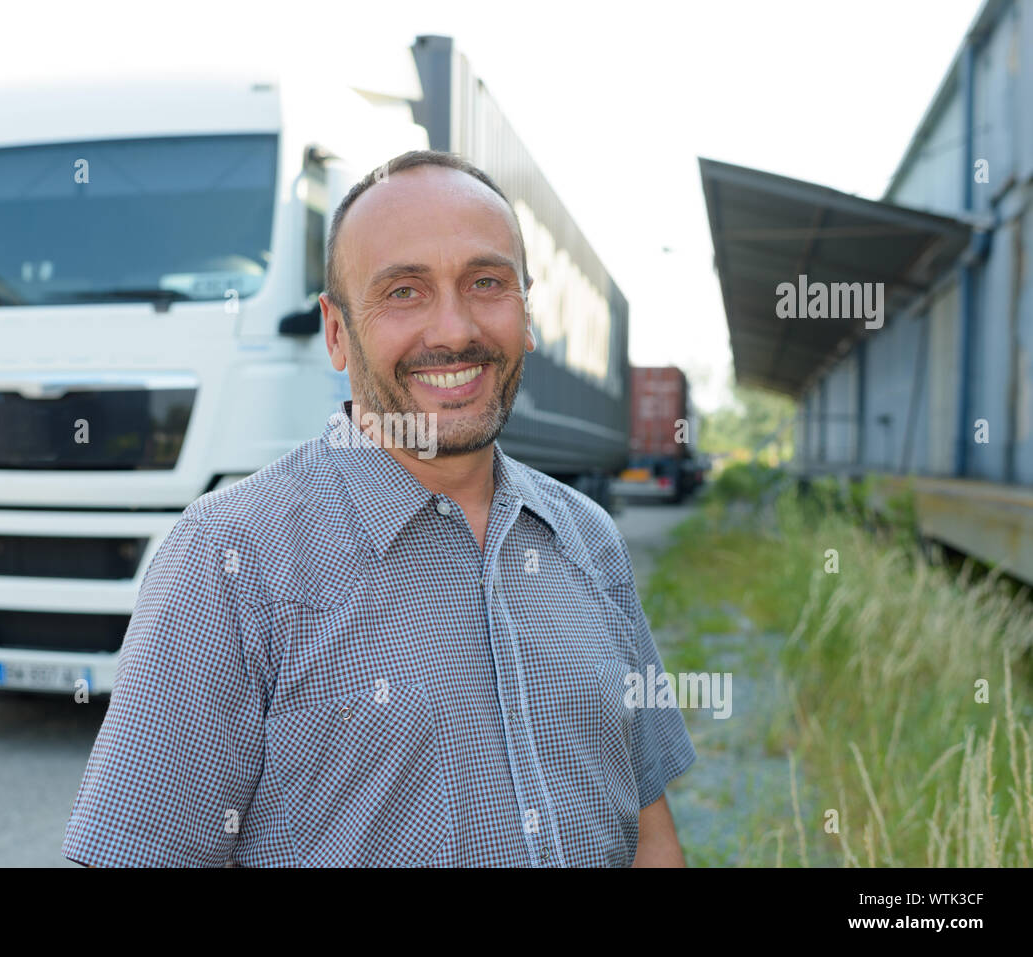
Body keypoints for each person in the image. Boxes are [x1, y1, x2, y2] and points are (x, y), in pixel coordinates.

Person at [62, 149, 695, 867]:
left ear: (525, 308)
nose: (455, 331)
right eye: (403, 291)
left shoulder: (589, 540)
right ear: (336, 331)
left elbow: (649, 831)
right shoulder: (228, 560)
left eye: (486, 282)